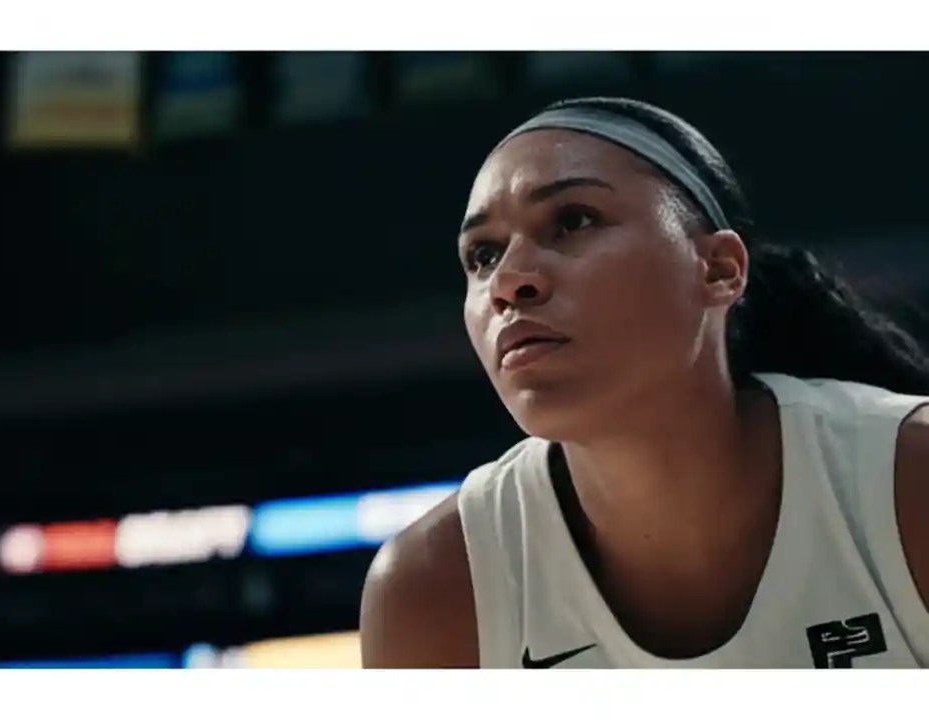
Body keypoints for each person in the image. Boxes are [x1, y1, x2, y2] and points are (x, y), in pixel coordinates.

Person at [359, 97, 929, 668]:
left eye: (573, 221)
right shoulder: (435, 589)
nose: (510, 282)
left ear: (719, 269)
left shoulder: (908, 481)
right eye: (483, 255)